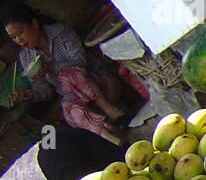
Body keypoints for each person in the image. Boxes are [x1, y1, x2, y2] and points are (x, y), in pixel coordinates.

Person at [3, 9, 126, 144]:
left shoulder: (60, 32)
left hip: (102, 86)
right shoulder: (26, 57)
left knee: (68, 75)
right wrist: (25, 95)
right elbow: (46, 91)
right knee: (70, 111)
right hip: (81, 101)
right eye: (13, 37)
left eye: (20, 33)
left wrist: (52, 68)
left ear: (34, 24)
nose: (19, 40)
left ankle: (112, 111)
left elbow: (80, 59)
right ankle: (115, 140)